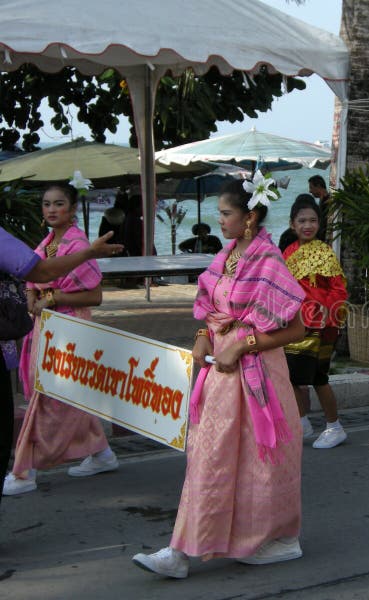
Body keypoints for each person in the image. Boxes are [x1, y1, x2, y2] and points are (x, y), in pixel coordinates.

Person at [132, 179, 307, 578]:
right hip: (221, 375)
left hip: (258, 376)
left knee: (259, 464)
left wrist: (243, 343)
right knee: (210, 457)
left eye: (226, 213)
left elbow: (296, 329)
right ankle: (183, 548)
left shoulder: (269, 260)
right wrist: (200, 337)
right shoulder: (226, 256)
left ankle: (273, 538)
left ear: (250, 218)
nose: (220, 220)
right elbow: (209, 310)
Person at [3, 184, 117, 496]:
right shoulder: (50, 241)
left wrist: (52, 297)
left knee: (49, 397)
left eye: (59, 204)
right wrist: (30, 292)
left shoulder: (78, 243)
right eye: (46, 204)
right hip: (47, 327)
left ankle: (26, 470)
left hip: (70, 328)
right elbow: (34, 273)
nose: (51, 210)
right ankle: (102, 453)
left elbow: (95, 295)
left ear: (73, 209)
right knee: (67, 395)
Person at [282, 196, 349, 449]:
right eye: (302, 221)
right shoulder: (288, 253)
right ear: (292, 224)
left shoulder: (324, 252)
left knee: (319, 379)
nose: (307, 225)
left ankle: (335, 427)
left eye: (312, 220)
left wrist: (327, 312)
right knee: (291, 376)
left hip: (321, 327)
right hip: (294, 325)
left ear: (319, 224)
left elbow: (339, 290)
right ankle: (302, 423)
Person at [308, 174, 332, 242]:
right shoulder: (323, 200)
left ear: (318, 186)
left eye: (311, 187)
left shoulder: (327, 201)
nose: (310, 191)